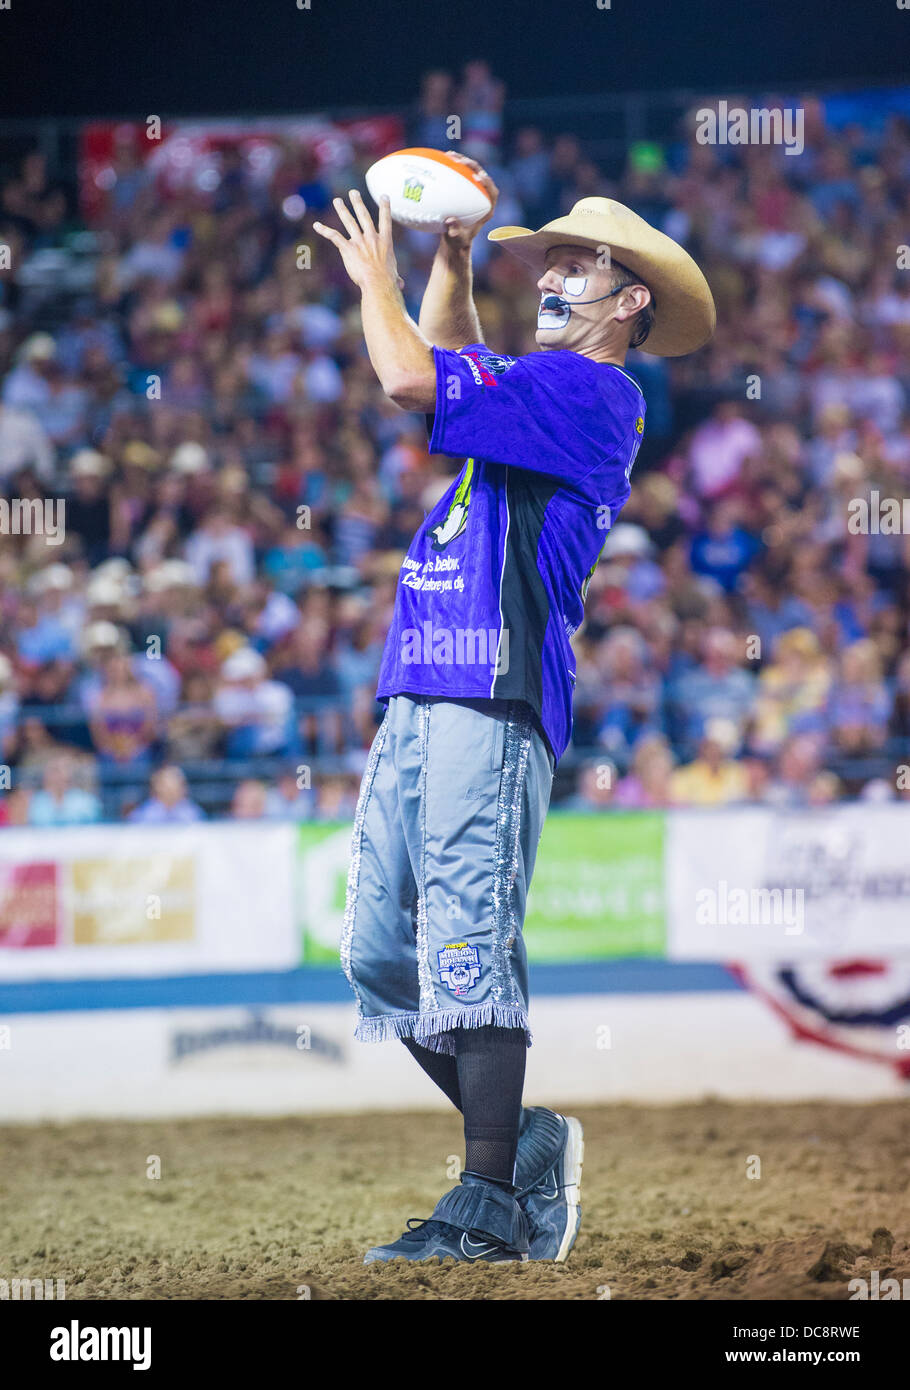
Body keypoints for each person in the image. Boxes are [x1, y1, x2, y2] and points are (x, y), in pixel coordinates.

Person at [314, 161, 715, 1264]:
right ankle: (522, 1139)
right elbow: (448, 363)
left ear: (630, 302)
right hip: (425, 686)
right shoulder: (536, 387)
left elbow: (408, 381)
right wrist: (449, 258)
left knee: (462, 948)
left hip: (489, 690)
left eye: (580, 262)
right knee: (383, 963)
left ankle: (486, 1199)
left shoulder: (593, 392)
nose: (552, 270)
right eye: (552, 255)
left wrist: (374, 277)